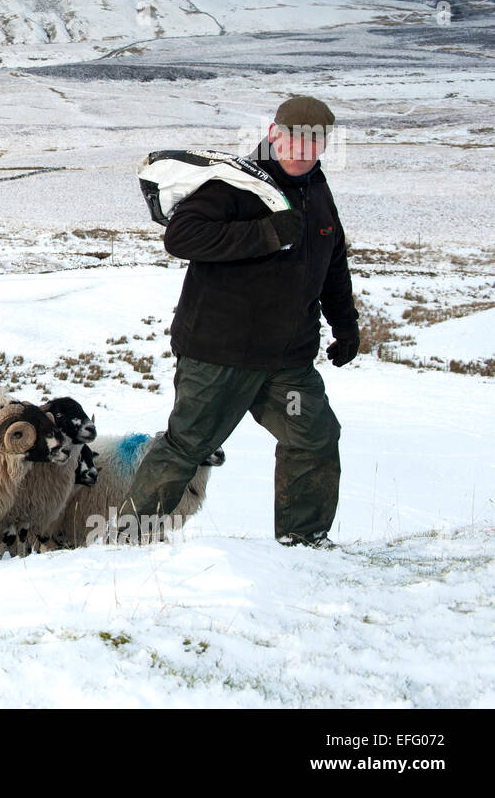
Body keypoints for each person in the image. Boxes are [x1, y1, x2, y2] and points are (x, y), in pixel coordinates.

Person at [122, 96, 360, 547]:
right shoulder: (233, 185)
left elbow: (332, 264)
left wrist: (345, 325)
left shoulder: (318, 193)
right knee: (186, 448)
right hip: (219, 357)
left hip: (286, 363)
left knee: (313, 437)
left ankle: (303, 542)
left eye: (315, 143)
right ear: (275, 135)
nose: (303, 152)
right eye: (294, 140)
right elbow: (182, 236)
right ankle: (126, 543)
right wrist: (266, 234)